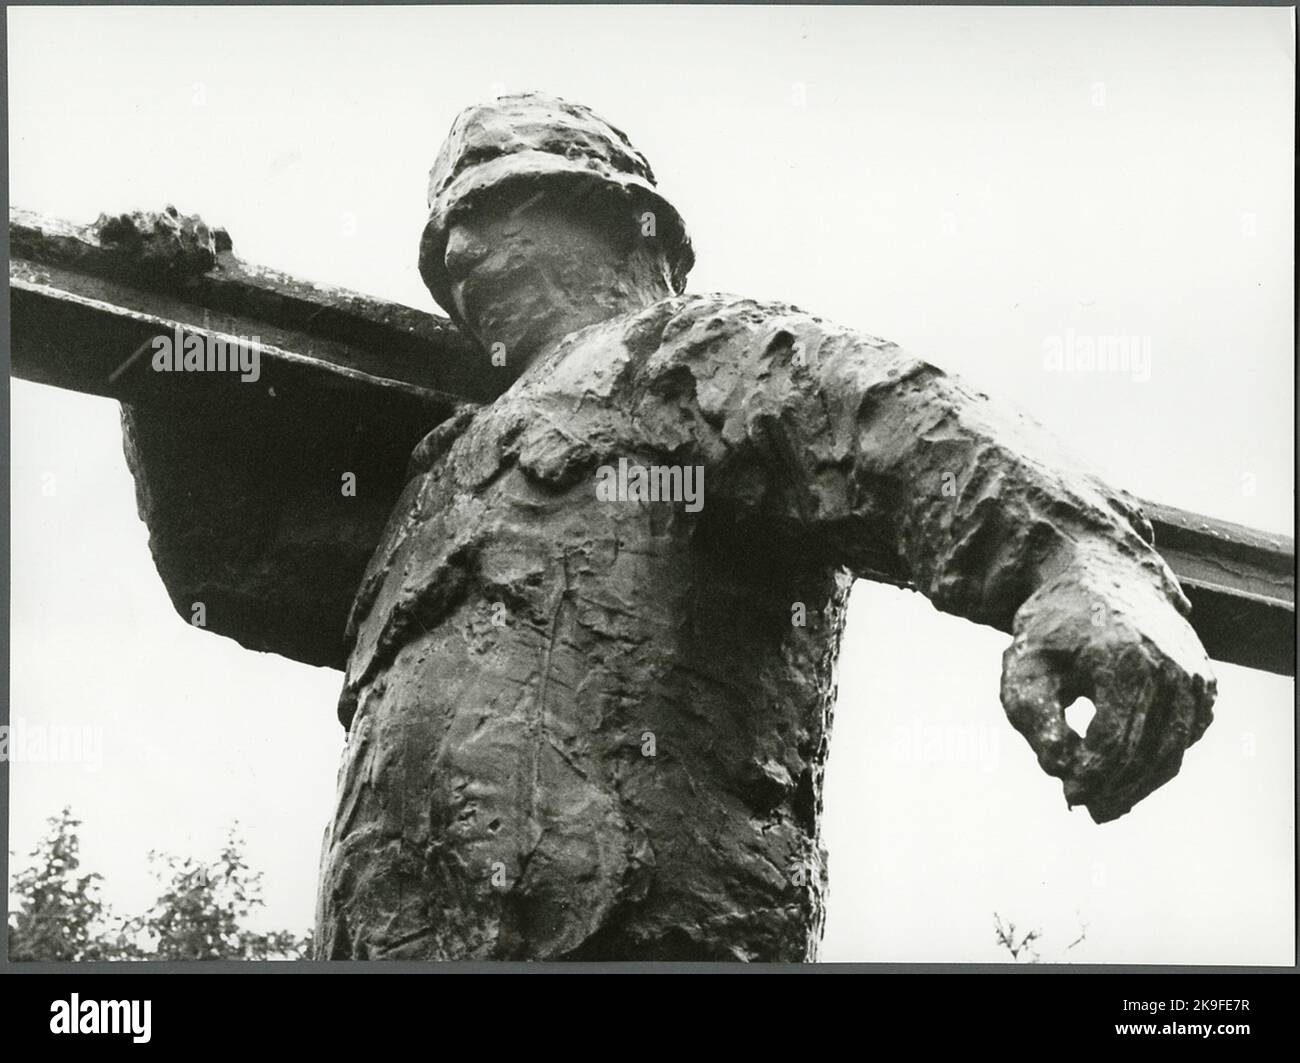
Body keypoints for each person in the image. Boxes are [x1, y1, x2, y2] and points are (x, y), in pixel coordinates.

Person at [315, 93, 1214, 961]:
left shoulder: (668, 352)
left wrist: (1074, 560)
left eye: (493, 206)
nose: (459, 252)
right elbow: (228, 557)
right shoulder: (439, 472)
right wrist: (177, 305)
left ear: (620, 220)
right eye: (442, 237)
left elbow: (877, 415)